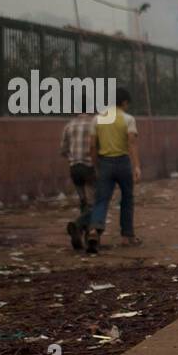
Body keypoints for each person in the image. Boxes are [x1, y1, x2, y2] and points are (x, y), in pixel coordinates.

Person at [86, 87, 141, 255]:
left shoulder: (97, 119)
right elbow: (131, 143)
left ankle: (95, 230)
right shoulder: (128, 119)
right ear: (124, 102)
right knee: (127, 199)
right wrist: (136, 166)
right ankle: (127, 236)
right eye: (127, 104)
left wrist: (96, 166)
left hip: (105, 163)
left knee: (101, 199)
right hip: (123, 162)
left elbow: (92, 146)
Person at [59, 104, 97, 250]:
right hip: (90, 167)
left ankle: (81, 234)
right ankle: (82, 227)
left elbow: (63, 150)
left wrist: (73, 158)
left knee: (83, 201)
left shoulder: (69, 125)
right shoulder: (95, 124)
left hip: (75, 168)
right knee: (94, 203)